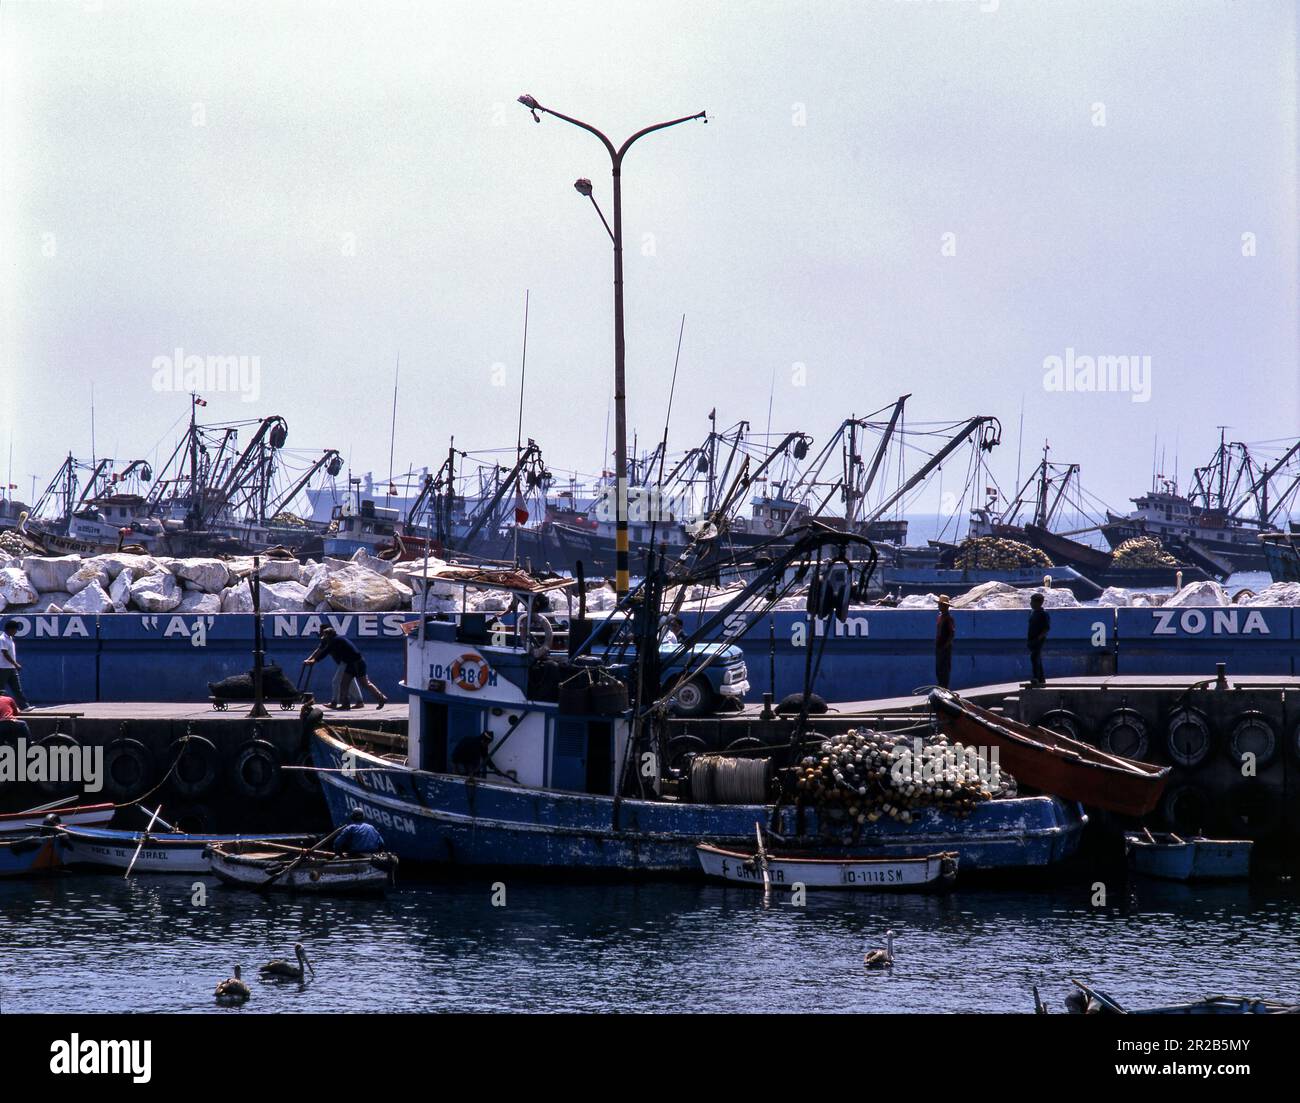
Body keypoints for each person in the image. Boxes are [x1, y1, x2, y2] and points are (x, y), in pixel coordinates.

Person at [304, 627, 386, 710]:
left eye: (325, 635)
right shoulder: (337, 639)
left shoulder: (335, 641)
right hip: (351, 663)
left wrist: (314, 661)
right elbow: (321, 649)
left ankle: (381, 698)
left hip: (356, 663)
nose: (323, 637)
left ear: (329, 635)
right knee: (344, 684)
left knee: (364, 683)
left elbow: (325, 652)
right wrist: (312, 660)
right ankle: (346, 704)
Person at [0, 620, 30, 711]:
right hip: (3, 668)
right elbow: (5, 653)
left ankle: (24, 706)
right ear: (10, 629)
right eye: (15, 630)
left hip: (11, 669)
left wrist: (14, 665)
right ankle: (2, 708)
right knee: (1, 690)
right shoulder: (2, 639)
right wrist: (15, 664)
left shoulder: (10, 638)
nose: (16, 632)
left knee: (17, 688)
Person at [1028, 592, 1051, 686]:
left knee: (1035, 657)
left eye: (1032, 601)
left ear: (1038, 603)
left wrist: (1038, 638)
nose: (1030, 603)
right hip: (1032, 639)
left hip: (1038, 640)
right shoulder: (1033, 613)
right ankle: (1041, 678)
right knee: (1036, 658)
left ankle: (1036, 678)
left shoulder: (1043, 614)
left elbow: (1046, 628)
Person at [935, 595, 955, 689]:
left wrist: (945, 646)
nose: (939, 606)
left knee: (944, 669)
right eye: (939, 604)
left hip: (945, 648)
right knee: (938, 669)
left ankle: (944, 688)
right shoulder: (940, 617)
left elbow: (951, 634)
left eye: (941, 605)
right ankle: (941, 686)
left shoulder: (949, 618)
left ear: (946, 606)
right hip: (939, 648)